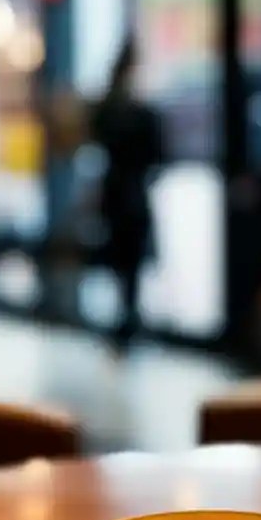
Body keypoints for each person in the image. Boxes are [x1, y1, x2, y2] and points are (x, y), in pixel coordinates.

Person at [91, 40, 166, 351]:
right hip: (132, 193)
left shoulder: (109, 108)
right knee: (129, 261)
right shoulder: (140, 112)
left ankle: (127, 320)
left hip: (117, 193)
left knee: (123, 260)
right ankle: (128, 320)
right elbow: (158, 155)